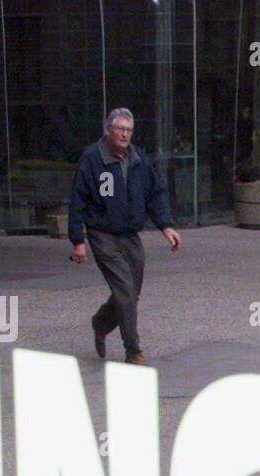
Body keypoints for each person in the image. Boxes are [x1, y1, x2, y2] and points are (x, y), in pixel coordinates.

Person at [68, 107, 181, 364]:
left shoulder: (138, 158)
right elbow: (78, 199)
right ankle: (133, 351)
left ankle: (101, 323)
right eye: (120, 129)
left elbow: (156, 193)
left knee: (131, 293)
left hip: (131, 236)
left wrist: (166, 226)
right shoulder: (92, 158)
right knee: (126, 293)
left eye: (129, 130)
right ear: (108, 130)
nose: (125, 134)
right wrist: (78, 240)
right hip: (102, 235)